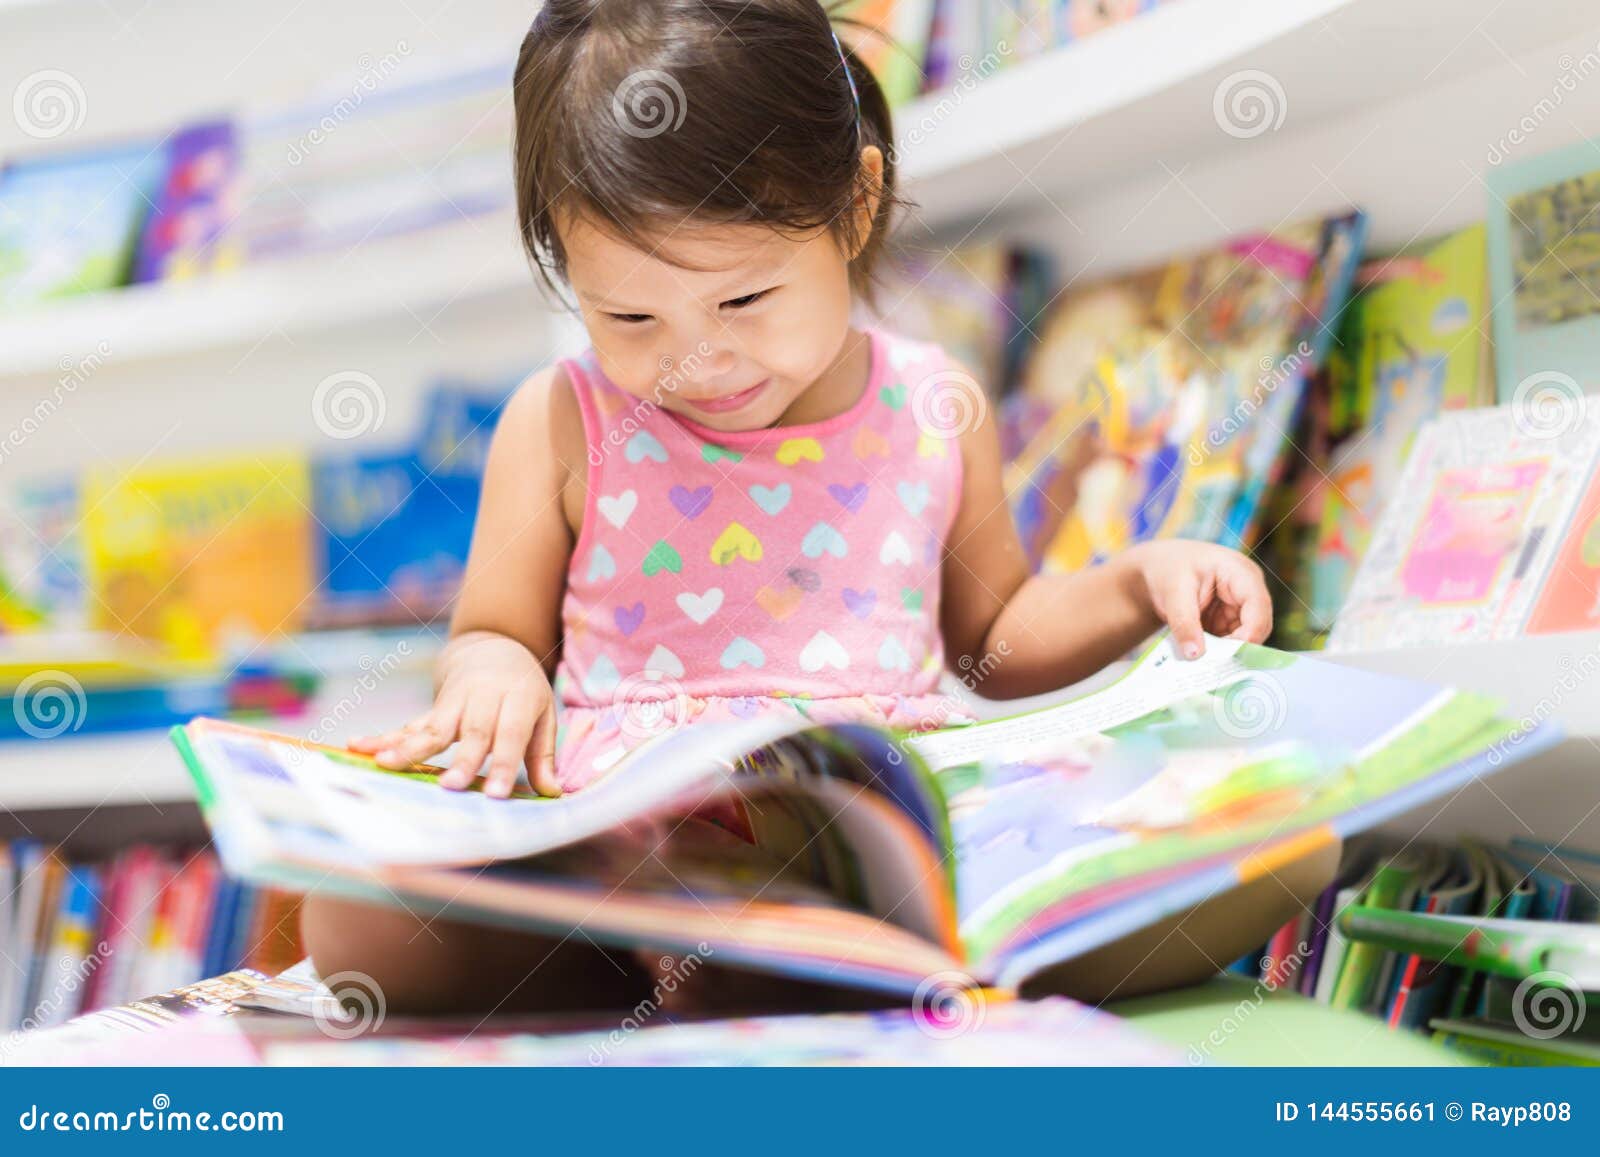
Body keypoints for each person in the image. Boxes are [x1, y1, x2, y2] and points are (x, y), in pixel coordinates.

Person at [303, 0, 1336, 1016]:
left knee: (1285, 842)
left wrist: (1136, 582)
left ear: (854, 205)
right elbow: (494, 630)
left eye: (742, 300)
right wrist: (490, 676)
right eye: (628, 316)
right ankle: (683, 977)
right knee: (356, 922)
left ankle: (833, 967)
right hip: (625, 859)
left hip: (868, 848)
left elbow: (997, 637)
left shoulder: (935, 405)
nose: (695, 358)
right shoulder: (563, 420)